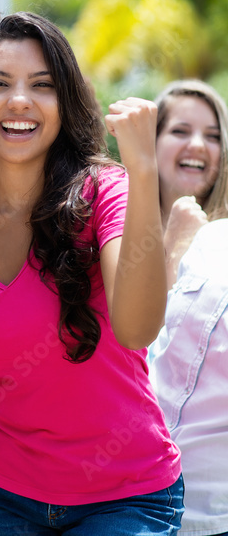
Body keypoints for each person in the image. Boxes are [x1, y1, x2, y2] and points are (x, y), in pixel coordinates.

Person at [0, 12, 183, 534]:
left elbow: (137, 328)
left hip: (125, 497)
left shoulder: (106, 193)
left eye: (43, 85)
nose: (19, 101)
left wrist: (144, 169)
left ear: (65, 103)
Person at [150, 219, 228, 536]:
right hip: (131, 492)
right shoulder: (212, 236)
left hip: (211, 515)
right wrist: (170, 250)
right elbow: (154, 341)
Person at [153, 80, 228, 284]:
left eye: (213, 136)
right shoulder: (117, 234)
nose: (197, 145)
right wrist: (173, 248)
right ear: (152, 141)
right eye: (180, 131)